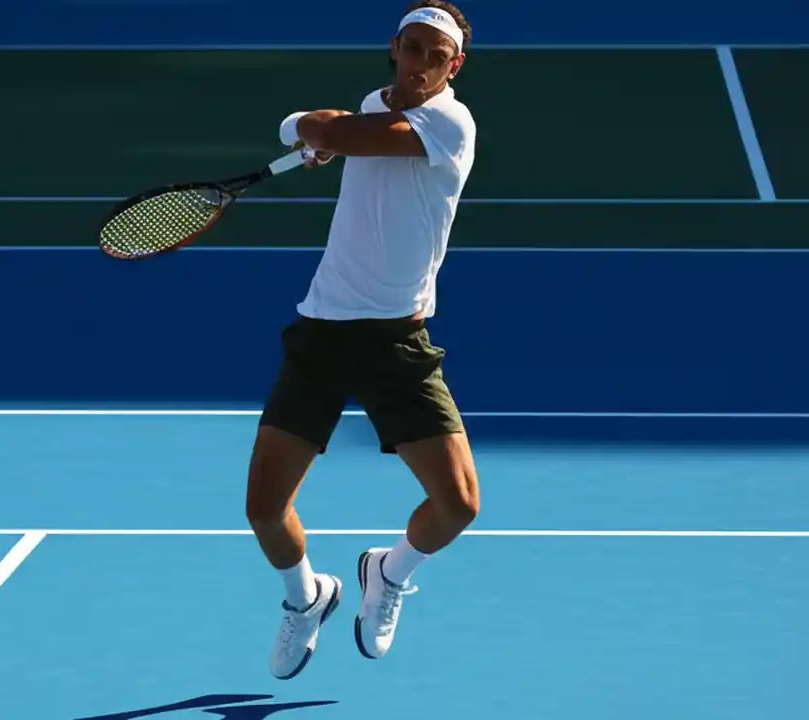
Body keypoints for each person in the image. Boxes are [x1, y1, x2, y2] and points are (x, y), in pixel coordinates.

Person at [244, 1, 479, 679]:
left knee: (458, 503)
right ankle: (306, 597)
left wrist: (311, 131)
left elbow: (327, 129)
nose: (420, 62)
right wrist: (334, 135)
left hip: (397, 341)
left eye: (436, 54)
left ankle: (390, 572)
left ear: (453, 65)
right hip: (321, 331)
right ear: (394, 48)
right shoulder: (372, 106)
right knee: (263, 509)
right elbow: (349, 130)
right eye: (411, 47)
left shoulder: (451, 121)